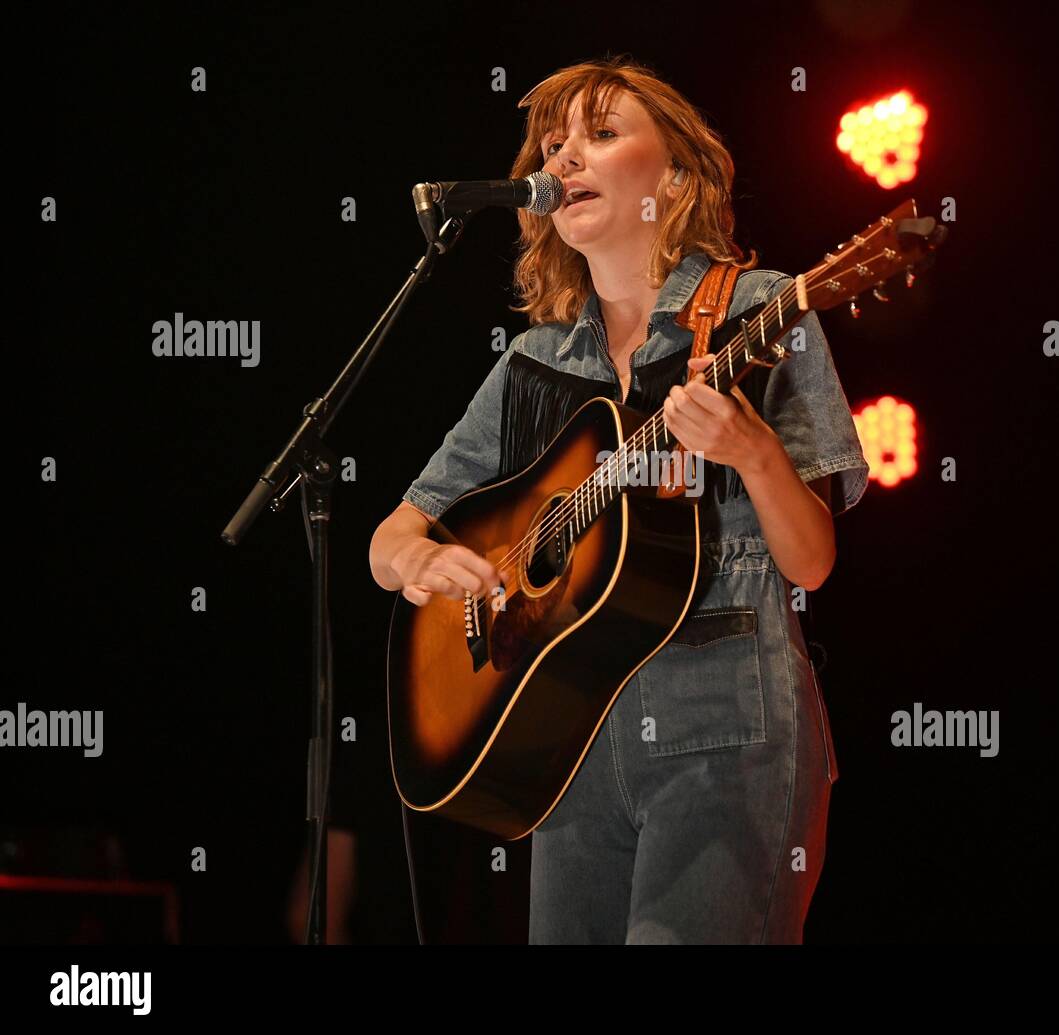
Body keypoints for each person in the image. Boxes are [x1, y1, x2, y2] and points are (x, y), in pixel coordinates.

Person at [368, 55, 868, 944]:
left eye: (600, 135)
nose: (565, 161)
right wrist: (424, 561)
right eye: (553, 147)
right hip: (570, 740)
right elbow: (390, 535)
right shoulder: (537, 361)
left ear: (674, 174)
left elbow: (813, 562)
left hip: (728, 729)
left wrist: (751, 450)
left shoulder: (762, 309)